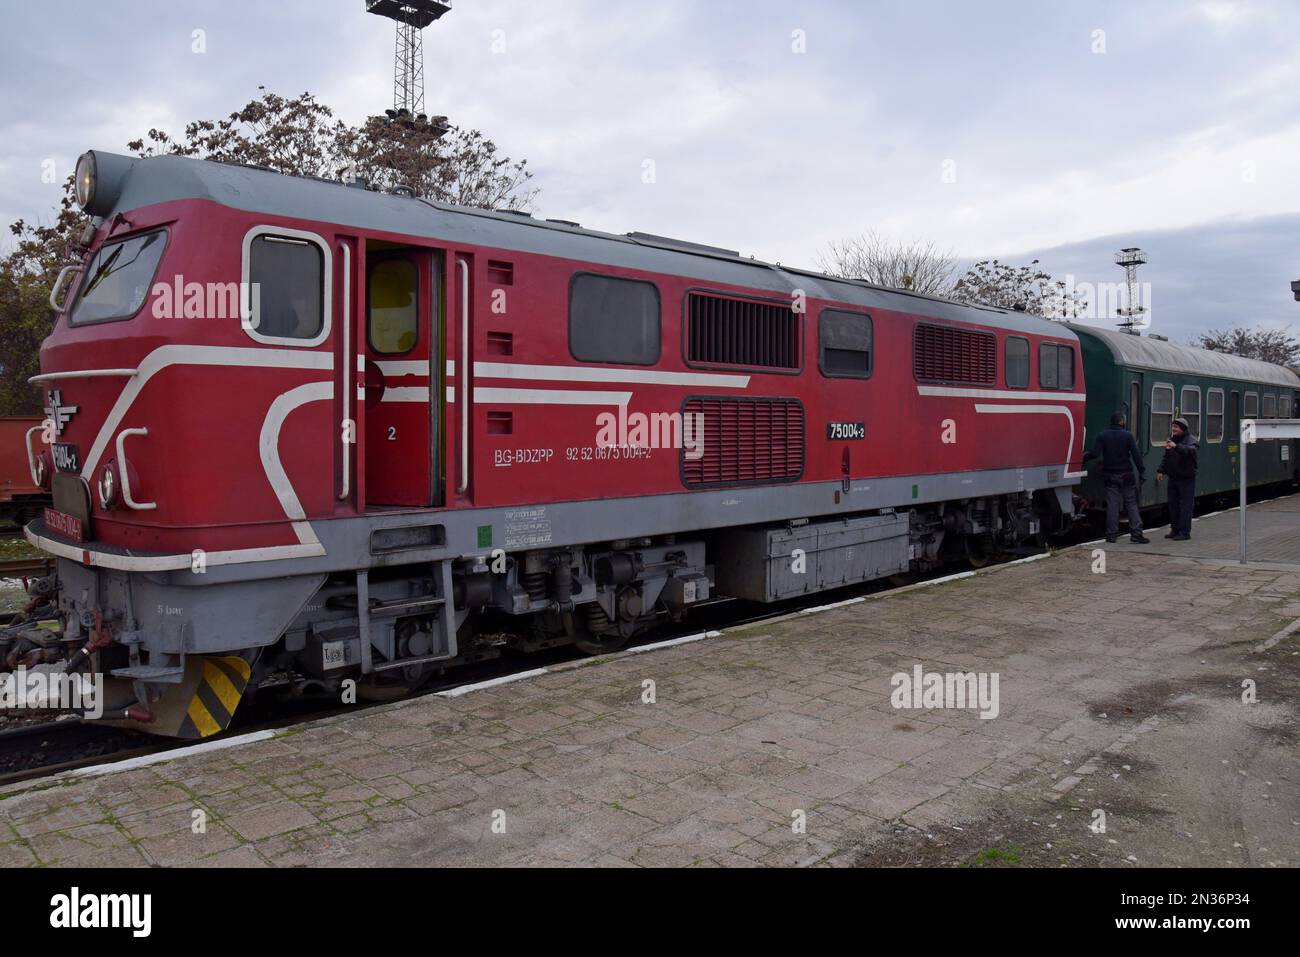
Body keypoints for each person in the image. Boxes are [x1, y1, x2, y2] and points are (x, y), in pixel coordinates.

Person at [1083, 412, 1150, 544]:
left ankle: (1111, 535)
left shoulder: (1103, 435)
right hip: (1126, 474)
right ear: (1122, 421)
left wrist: (1083, 457)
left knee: (1112, 505)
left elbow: (1095, 453)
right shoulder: (1128, 435)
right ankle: (1136, 533)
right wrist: (1142, 472)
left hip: (1110, 475)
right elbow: (1136, 456)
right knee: (1131, 503)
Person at [1157, 417, 1198, 541]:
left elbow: (1191, 451)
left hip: (1186, 479)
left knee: (1185, 506)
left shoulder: (1191, 441)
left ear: (1183, 429)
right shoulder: (1172, 440)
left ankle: (1184, 532)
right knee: (1173, 505)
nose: (1173, 429)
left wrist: (1176, 446)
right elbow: (1167, 456)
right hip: (1173, 478)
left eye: (1176, 427)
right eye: (1173, 426)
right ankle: (1175, 530)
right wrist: (1161, 470)